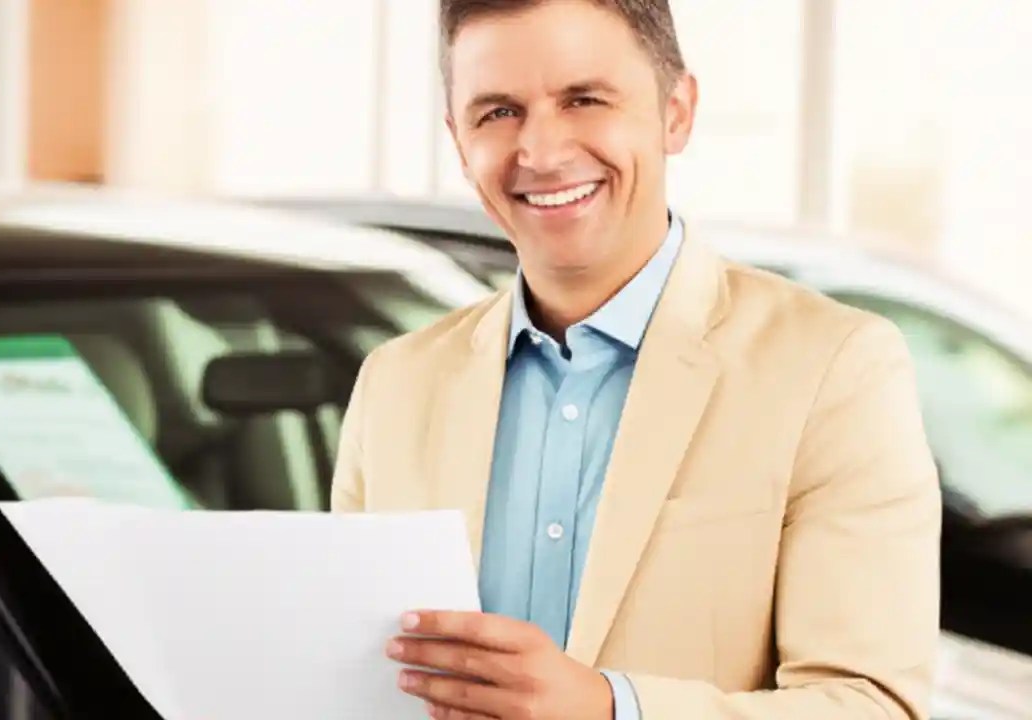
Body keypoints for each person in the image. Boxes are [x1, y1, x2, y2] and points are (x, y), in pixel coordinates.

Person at [330, 0, 941, 718]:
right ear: (458, 143)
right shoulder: (396, 384)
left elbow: (870, 705)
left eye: (583, 100)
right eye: (497, 112)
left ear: (675, 111)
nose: (543, 151)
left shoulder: (833, 368)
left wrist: (611, 708)